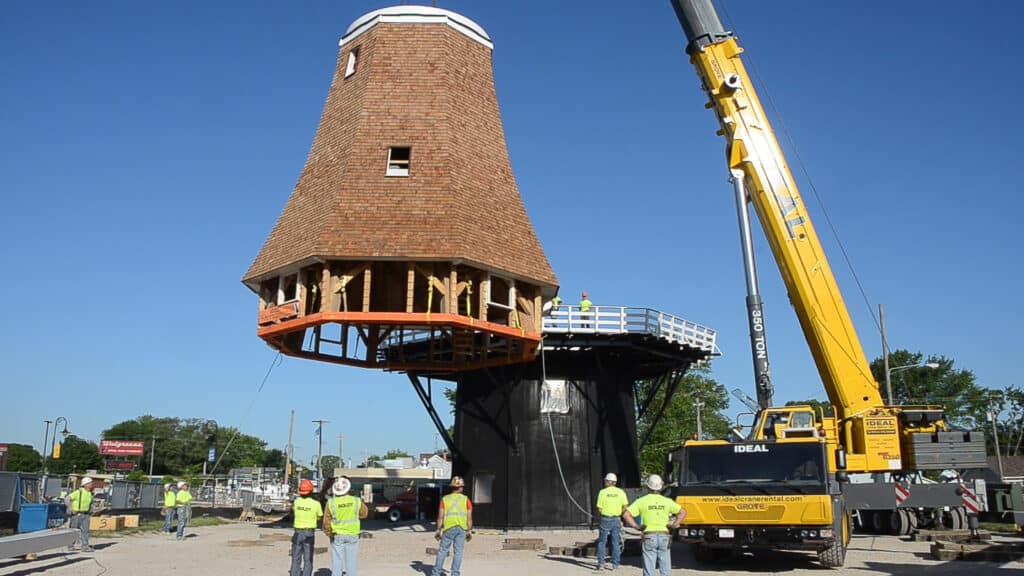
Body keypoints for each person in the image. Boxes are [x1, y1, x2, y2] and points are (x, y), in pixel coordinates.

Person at [623, 475, 684, 576]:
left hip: (649, 536)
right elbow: (682, 512)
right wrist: (674, 525)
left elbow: (626, 515)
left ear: (648, 487)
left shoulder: (641, 501)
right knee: (665, 568)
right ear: (661, 487)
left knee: (649, 569)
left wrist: (636, 526)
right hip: (664, 536)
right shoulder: (667, 501)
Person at [323, 476, 368, 576]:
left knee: (337, 561)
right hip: (353, 535)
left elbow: (326, 520)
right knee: (351, 562)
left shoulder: (331, 503)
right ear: (348, 488)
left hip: (337, 535)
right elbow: (364, 514)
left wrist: (328, 533)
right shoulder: (356, 501)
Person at [432, 476, 473, 576]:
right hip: (461, 529)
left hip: (448, 528)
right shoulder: (466, 500)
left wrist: (438, 530)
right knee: (458, 552)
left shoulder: (444, 499)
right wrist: (469, 531)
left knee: (442, 551)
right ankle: (455, 574)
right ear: (460, 487)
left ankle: (436, 573)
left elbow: (440, 517)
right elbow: (469, 518)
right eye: (462, 486)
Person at [595, 472, 628, 571]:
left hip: (605, 518)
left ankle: (601, 564)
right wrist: (619, 514)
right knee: (615, 542)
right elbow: (625, 506)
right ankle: (615, 565)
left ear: (609, 482)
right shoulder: (621, 492)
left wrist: (604, 513)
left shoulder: (602, 492)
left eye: (605, 481)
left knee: (602, 542)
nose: (604, 482)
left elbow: (599, 508)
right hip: (616, 518)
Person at [290, 479, 323, 576]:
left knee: (295, 557)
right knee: (308, 558)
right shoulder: (316, 504)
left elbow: (294, 511)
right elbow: (319, 516)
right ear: (311, 491)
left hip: (298, 532)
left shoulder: (297, 502)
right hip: (309, 533)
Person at [66, 476, 95, 553]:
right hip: (76, 515)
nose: (92, 484)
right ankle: (70, 545)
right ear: (85, 484)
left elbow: (91, 503)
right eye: (90, 483)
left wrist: (91, 510)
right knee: (73, 531)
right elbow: (67, 499)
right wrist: (71, 509)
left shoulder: (90, 493)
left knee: (85, 531)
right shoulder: (78, 492)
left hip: (86, 514)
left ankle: (85, 546)